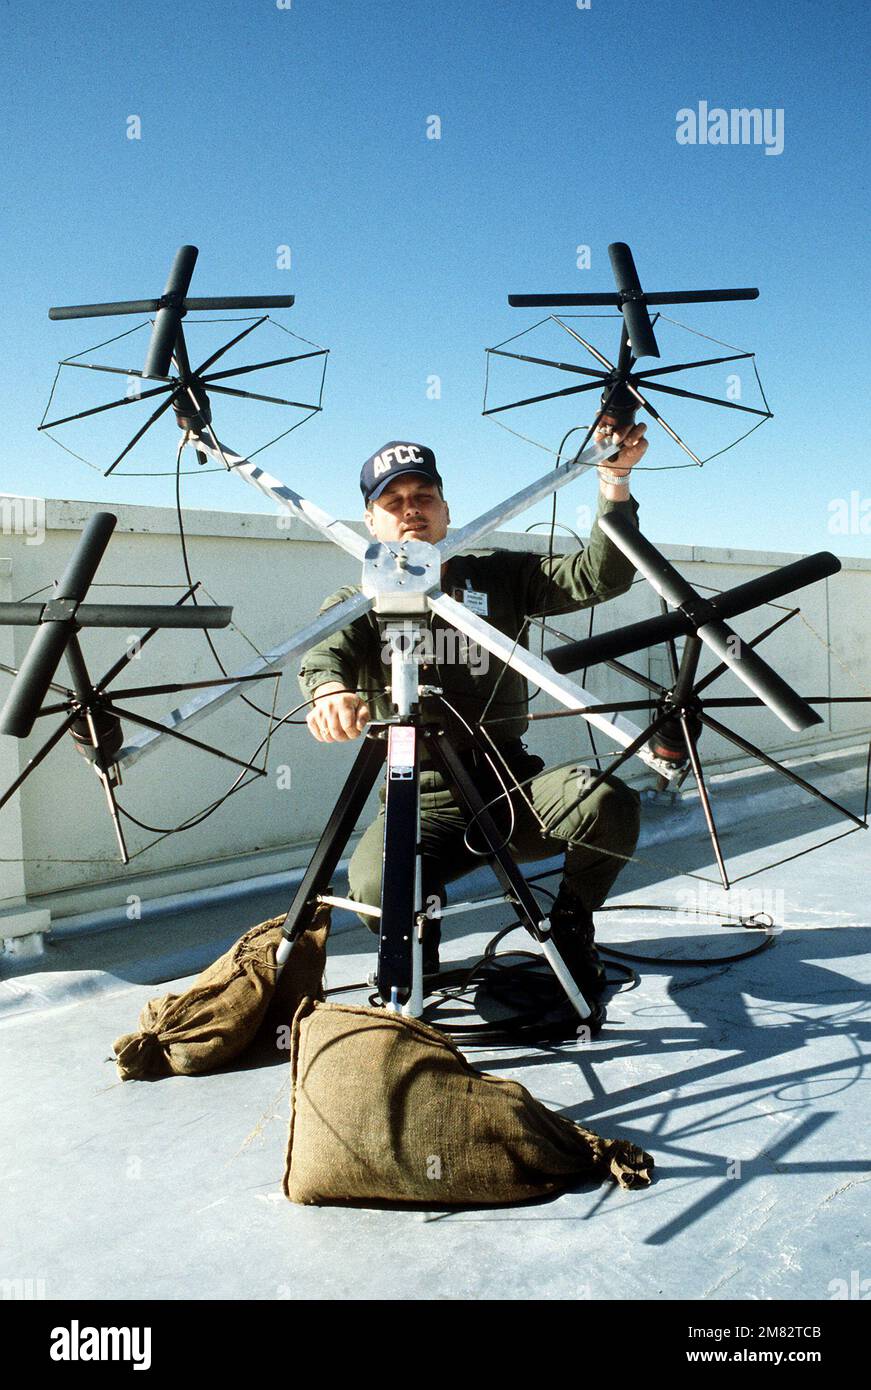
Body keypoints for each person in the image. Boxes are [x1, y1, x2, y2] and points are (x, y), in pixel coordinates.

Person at [298, 425, 648, 1000]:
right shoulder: (357, 600)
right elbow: (324, 649)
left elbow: (600, 575)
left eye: (423, 497)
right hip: (420, 798)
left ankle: (570, 925)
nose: (411, 511)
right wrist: (328, 692)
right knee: (371, 891)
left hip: (507, 785)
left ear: (444, 508)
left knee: (607, 803)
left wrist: (614, 479)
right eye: (393, 502)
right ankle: (419, 942)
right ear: (371, 521)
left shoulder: (498, 574)